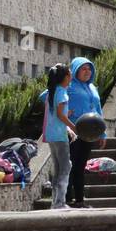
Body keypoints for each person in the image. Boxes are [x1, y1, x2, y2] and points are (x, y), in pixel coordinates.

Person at [65, 56, 106, 209]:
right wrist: (63, 112)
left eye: (89, 68)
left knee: (80, 166)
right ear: (75, 70)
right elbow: (47, 97)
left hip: (89, 133)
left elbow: (98, 110)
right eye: (83, 68)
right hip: (72, 131)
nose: (87, 71)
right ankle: (67, 198)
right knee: (70, 166)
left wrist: (102, 134)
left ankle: (80, 199)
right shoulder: (68, 85)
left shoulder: (92, 87)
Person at [41, 63, 75, 210]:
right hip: (60, 135)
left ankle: (54, 203)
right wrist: (74, 127)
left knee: (58, 168)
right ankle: (60, 202)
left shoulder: (51, 91)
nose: (71, 76)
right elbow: (60, 115)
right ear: (66, 77)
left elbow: (43, 98)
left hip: (50, 134)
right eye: (70, 73)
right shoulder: (62, 92)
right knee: (65, 167)